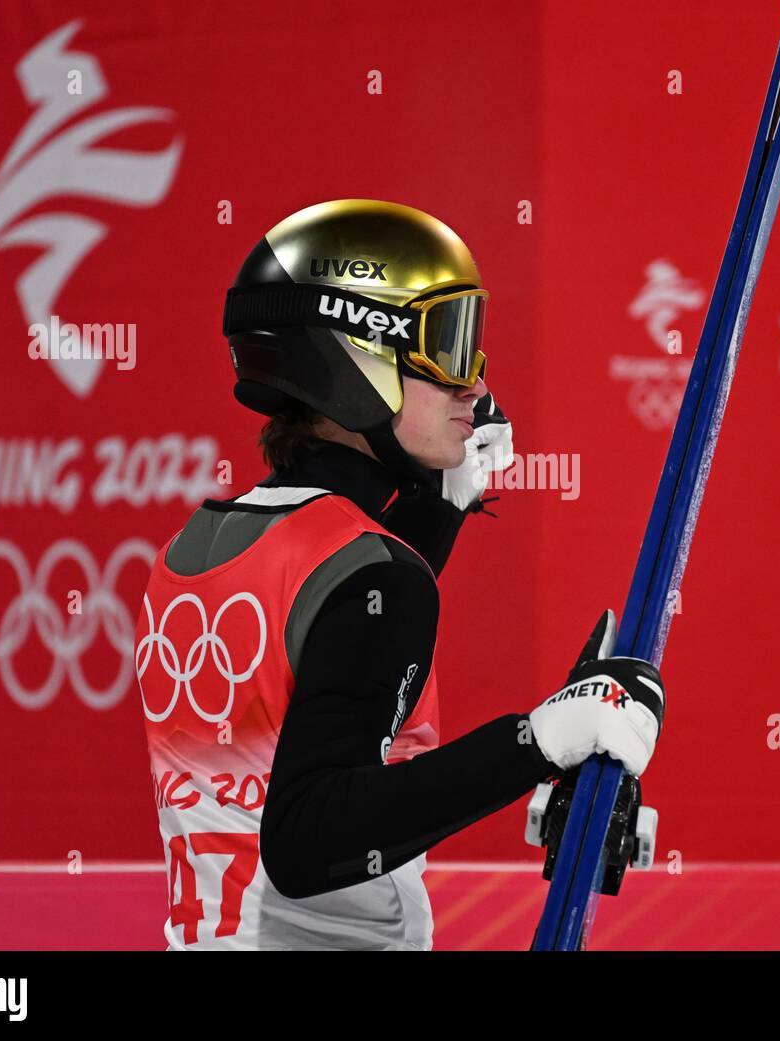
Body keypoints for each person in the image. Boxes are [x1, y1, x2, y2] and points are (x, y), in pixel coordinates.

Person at [134, 199, 666, 950]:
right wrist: (537, 742)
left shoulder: (198, 547)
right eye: (448, 346)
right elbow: (306, 838)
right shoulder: (371, 575)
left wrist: (431, 516)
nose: (475, 387)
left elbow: (326, 662)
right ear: (355, 357)